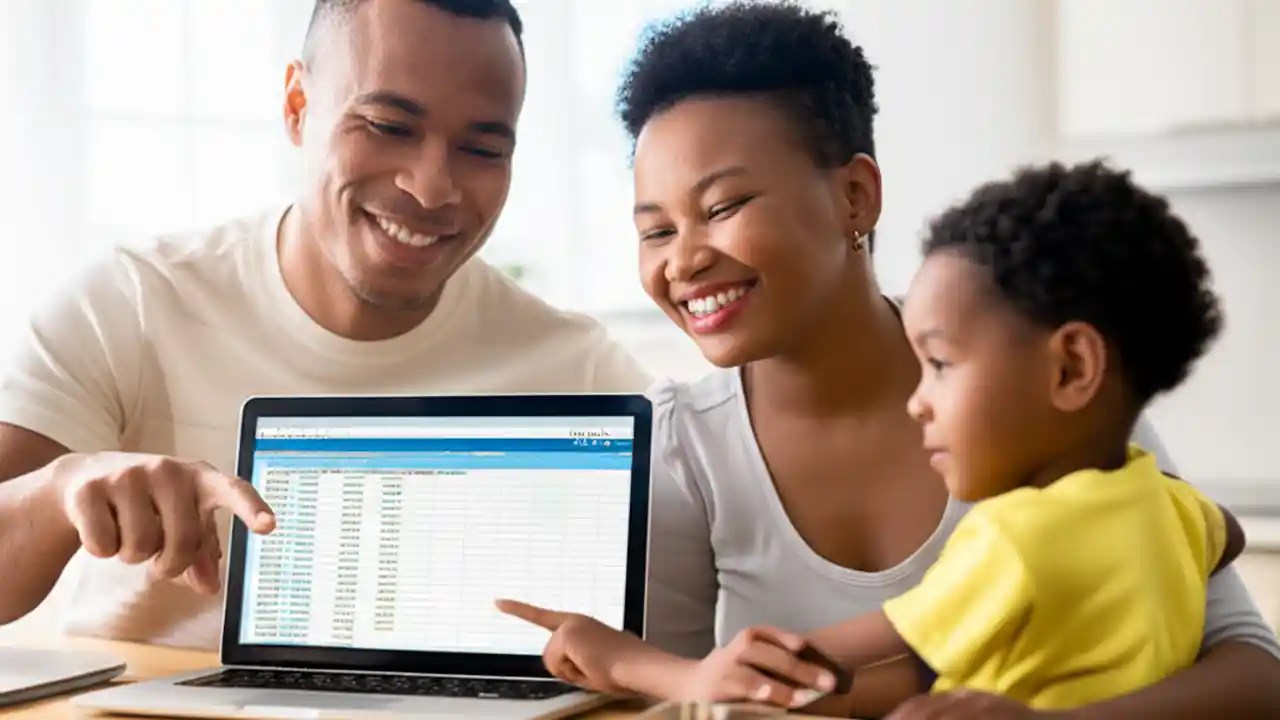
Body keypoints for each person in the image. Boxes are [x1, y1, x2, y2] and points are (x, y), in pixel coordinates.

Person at [496, 4, 1280, 718]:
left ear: (855, 197)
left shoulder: (1047, 396)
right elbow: (686, 699)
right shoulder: (681, 445)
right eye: (656, 232)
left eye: (724, 207)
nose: (686, 260)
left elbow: (1254, 670)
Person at [0, 0, 648, 649]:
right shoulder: (133, 302)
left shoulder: (579, 368)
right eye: (389, 126)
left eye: (481, 148)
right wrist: (62, 492)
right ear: (297, 105)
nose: (430, 189)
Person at [733, 159, 1250, 710]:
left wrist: (753, 664)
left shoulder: (1011, 536)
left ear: (1070, 369)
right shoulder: (1175, 506)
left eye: (940, 364)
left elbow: (837, 651)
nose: (918, 402)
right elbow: (1231, 535)